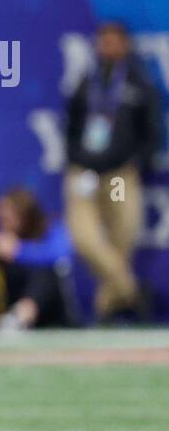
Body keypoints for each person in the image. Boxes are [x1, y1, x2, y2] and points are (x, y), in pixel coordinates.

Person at [64, 21, 163, 322]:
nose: (107, 47)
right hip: (85, 173)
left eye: (113, 41)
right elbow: (70, 127)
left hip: (119, 174)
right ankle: (132, 291)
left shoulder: (139, 83)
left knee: (122, 238)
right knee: (84, 238)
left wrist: (139, 161)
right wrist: (75, 157)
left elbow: (152, 131)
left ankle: (106, 305)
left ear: (126, 45)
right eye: (102, 41)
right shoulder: (86, 82)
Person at [0, 187, 77, 330]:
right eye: (0, 218)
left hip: (47, 312)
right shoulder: (0, 241)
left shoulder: (51, 230)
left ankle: (19, 317)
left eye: (9, 218)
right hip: (4, 310)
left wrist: (19, 251)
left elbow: (60, 256)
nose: (4, 223)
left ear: (25, 215)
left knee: (45, 271)